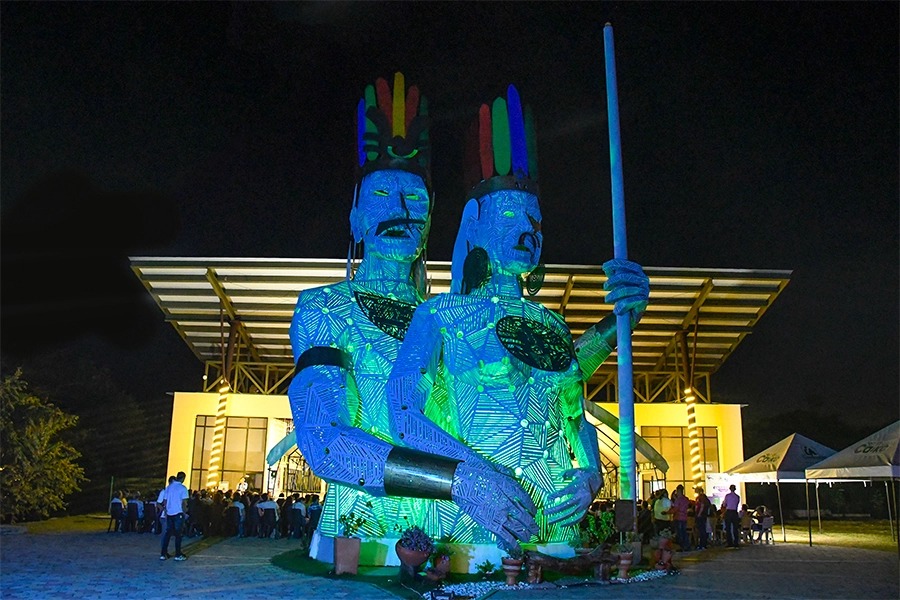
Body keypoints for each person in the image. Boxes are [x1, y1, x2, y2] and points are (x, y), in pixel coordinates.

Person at [387, 84, 650, 549]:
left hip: (556, 524)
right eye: (510, 211)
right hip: (473, 522)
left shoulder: (551, 325)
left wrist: (590, 474)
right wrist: (470, 477)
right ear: (474, 220)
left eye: (537, 219)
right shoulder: (440, 316)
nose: (529, 228)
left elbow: (575, 417)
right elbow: (404, 414)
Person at [287, 73, 534, 556]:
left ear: (432, 214)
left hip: (461, 540)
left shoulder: (450, 316)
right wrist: (460, 482)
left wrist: (617, 323)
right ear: (356, 216)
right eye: (382, 196)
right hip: (361, 537)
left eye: (415, 198)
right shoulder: (323, 308)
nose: (401, 208)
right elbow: (326, 442)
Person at [159, 472, 189, 561]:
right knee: (178, 534)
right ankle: (178, 554)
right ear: (183, 478)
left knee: (168, 534)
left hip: (169, 513)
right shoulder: (183, 488)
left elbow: (164, 501)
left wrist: (167, 510)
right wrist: (184, 512)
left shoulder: (169, 487)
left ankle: (163, 553)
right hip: (178, 513)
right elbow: (184, 502)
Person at [669, 484, 691, 550]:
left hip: (678, 517)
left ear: (679, 491)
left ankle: (681, 547)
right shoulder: (686, 499)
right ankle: (687, 546)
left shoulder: (678, 500)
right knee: (684, 532)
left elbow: (675, 509)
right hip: (684, 518)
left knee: (679, 533)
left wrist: (667, 512)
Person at [723, 483, 741, 548]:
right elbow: (737, 503)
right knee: (735, 528)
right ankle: (736, 542)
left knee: (728, 528)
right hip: (735, 512)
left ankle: (729, 542)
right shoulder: (737, 496)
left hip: (729, 511)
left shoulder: (727, 496)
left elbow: (725, 504)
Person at [693, 485, 711, 550]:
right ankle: (703, 544)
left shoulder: (700, 498)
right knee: (702, 530)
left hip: (700, 516)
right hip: (703, 516)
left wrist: (699, 514)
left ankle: (702, 544)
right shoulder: (705, 498)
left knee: (701, 530)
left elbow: (701, 506)